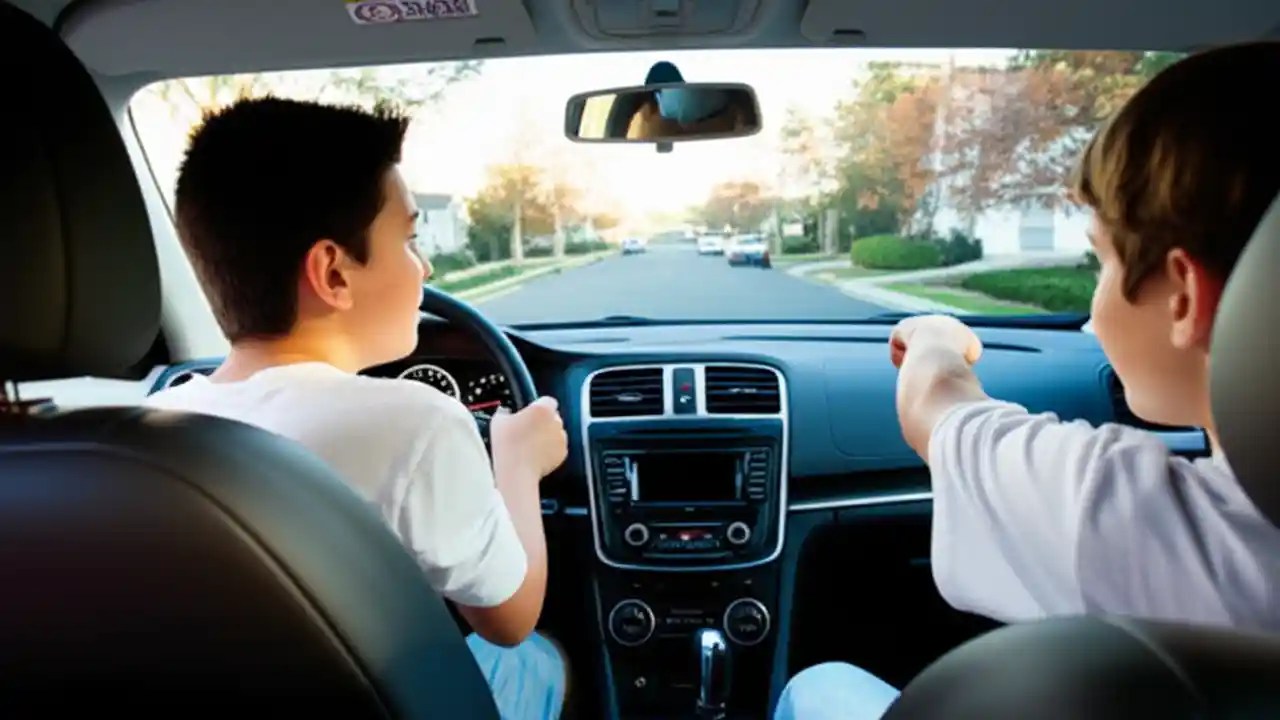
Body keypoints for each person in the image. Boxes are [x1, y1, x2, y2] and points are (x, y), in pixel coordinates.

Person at [774, 40, 1280, 719]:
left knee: (819, 686)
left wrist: (936, 337)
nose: (1094, 308)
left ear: (1184, 296)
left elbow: (934, 402)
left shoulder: (1131, 512)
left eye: (1100, 262)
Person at [144, 96, 570, 720]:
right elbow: (509, 618)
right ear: (333, 273)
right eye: (410, 239)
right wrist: (519, 463)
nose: (425, 267)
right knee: (536, 658)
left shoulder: (156, 424)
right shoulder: (417, 424)